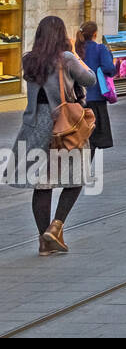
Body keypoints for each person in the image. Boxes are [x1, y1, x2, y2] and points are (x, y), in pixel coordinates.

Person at [13, 16, 97, 255]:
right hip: (64, 126)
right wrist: (76, 55)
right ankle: (56, 226)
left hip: (34, 126)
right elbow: (89, 79)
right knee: (77, 178)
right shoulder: (67, 59)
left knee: (42, 184)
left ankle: (44, 240)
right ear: (62, 35)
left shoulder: (29, 60)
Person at [75, 21, 117, 155]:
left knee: (79, 135)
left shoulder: (75, 49)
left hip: (78, 98)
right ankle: (85, 169)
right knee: (93, 137)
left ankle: (78, 166)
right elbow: (109, 68)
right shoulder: (100, 49)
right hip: (96, 98)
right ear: (95, 34)